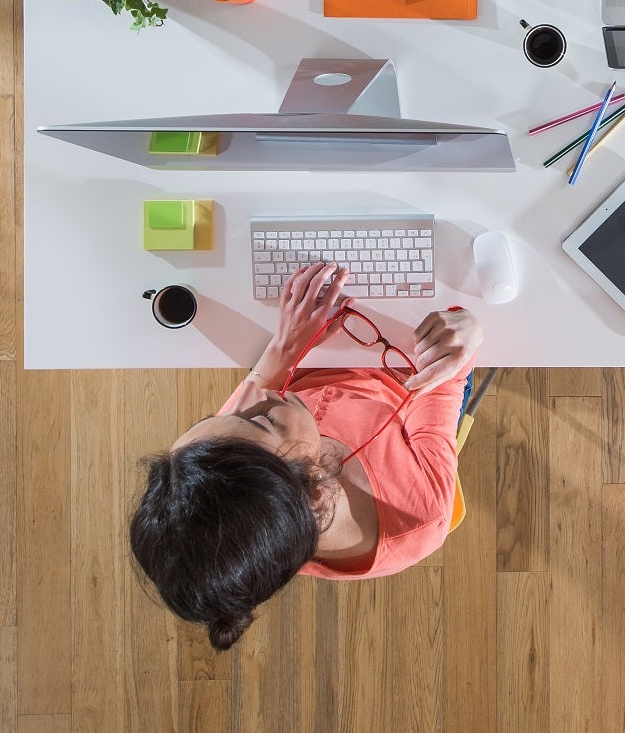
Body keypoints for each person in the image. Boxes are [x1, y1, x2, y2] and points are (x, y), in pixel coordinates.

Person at [130, 262, 483, 649]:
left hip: (331, 348)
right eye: (263, 421)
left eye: (215, 419)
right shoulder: (416, 513)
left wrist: (287, 343)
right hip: (409, 377)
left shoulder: (240, 486)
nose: (251, 394)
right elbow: (444, 376)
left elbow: (258, 383)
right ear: (316, 489)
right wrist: (463, 332)